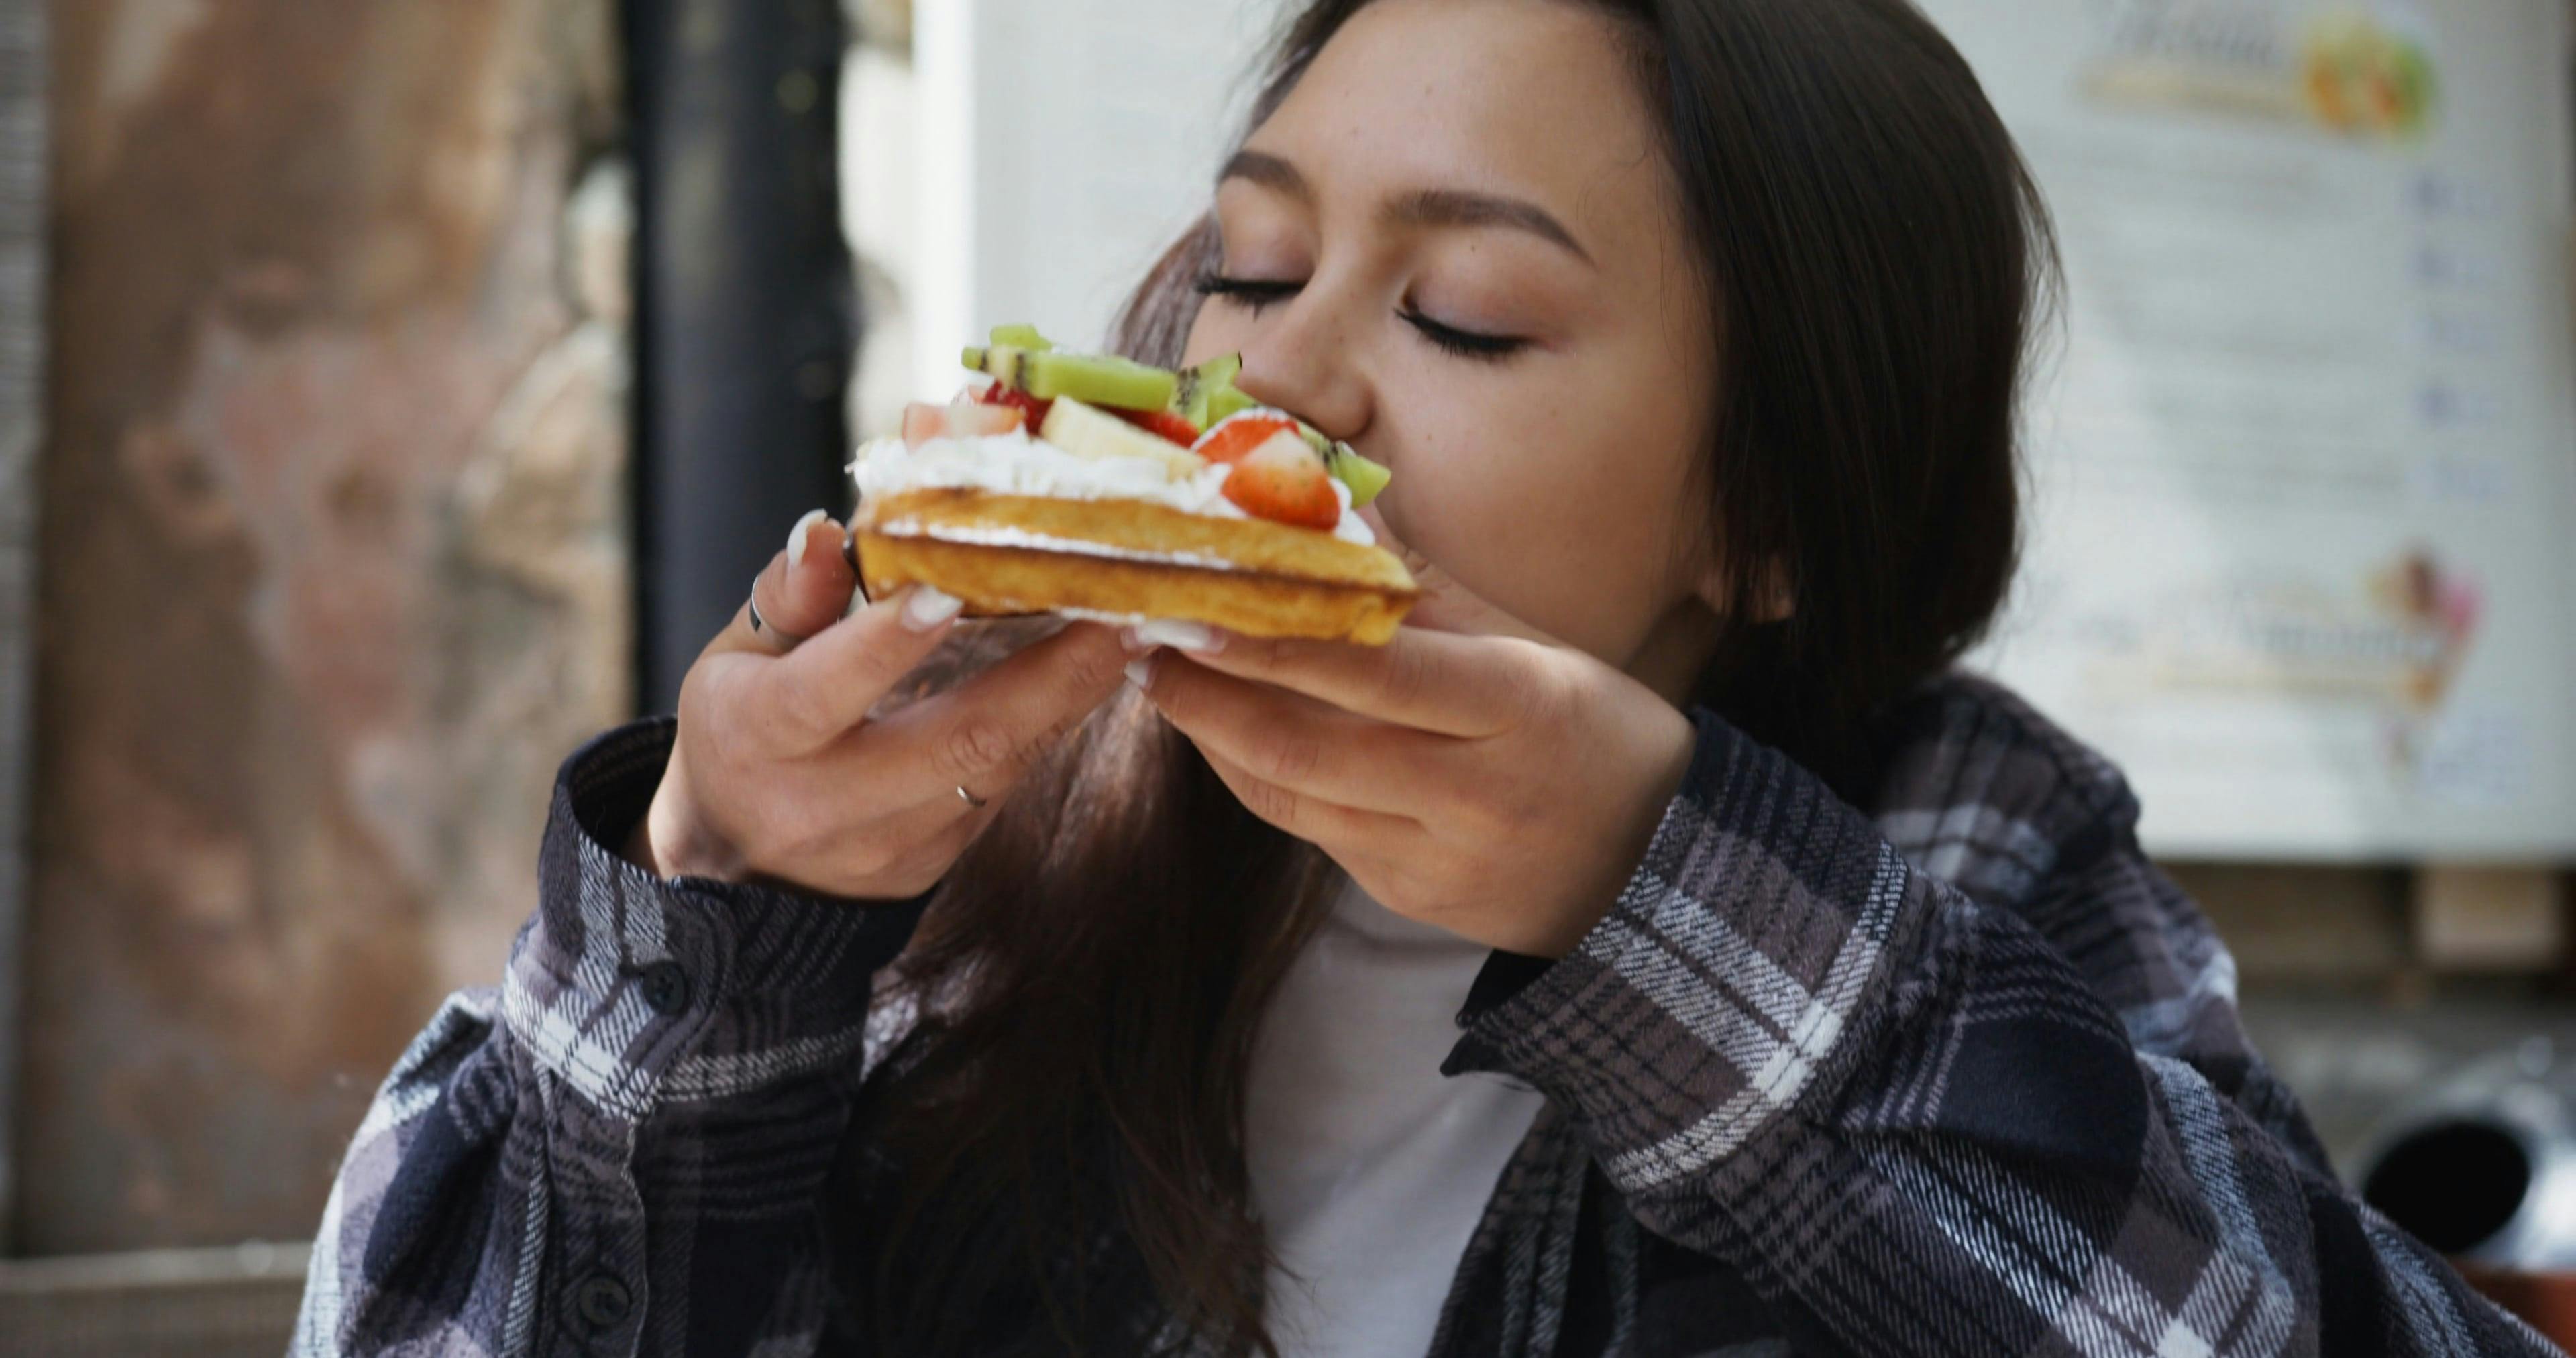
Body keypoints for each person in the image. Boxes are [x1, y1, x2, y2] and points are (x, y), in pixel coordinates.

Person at [292, 0, 2557, 1354]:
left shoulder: (1969, 841)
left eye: (1464, 315)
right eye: (1254, 263)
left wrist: (1669, 911)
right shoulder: (962, 810)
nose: (1279, 386)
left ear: (1758, 511)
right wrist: (714, 908)